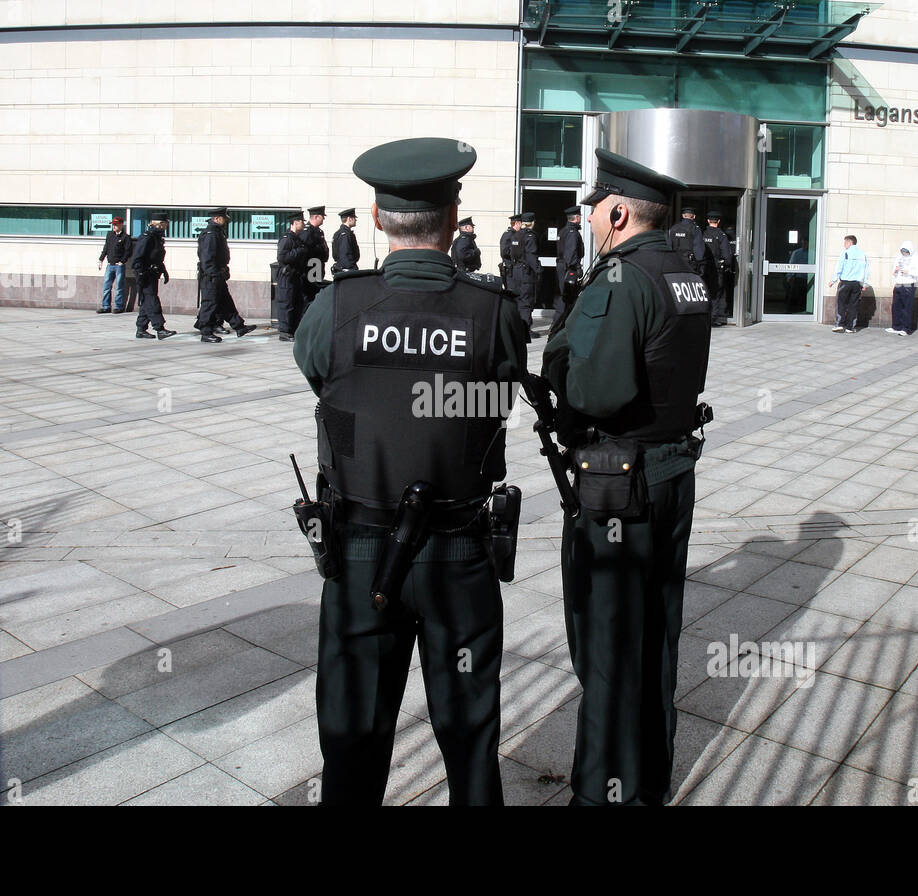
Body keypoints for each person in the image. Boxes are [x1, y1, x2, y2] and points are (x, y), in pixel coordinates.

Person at [293, 137, 528, 805]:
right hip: (460, 554)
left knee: (352, 735)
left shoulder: (336, 309)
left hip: (361, 551)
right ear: (454, 220)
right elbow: (505, 387)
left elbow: (321, 378)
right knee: (469, 734)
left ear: (373, 216)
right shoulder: (492, 311)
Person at [540, 147, 711, 806]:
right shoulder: (683, 271)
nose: (588, 219)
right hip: (670, 474)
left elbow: (595, 391)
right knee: (656, 641)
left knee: (609, 649)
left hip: (620, 486)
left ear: (616, 211)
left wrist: (561, 354)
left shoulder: (621, 279)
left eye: (592, 209)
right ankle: (644, 787)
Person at [194, 207, 256, 343]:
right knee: (209, 304)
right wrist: (214, 273)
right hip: (212, 276)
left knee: (226, 303)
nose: (226, 220)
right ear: (216, 219)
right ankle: (205, 332)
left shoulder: (217, 232)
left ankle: (239, 327)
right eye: (224, 218)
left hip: (218, 274)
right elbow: (207, 258)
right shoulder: (211, 234)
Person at [130, 212, 176, 340]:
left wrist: (164, 271)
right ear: (160, 224)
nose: (167, 225)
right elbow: (137, 258)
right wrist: (140, 274)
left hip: (153, 274)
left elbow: (157, 258)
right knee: (152, 300)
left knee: (147, 302)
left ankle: (141, 329)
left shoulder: (157, 238)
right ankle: (160, 328)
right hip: (145, 275)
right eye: (166, 223)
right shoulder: (147, 237)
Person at [275, 211, 308, 341]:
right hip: (287, 276)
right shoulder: (286, 239)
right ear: (295, 223)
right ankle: (284, 331)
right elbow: (282, 257)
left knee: (296, 303)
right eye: (302, 221)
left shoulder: (297, 238)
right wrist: (299, 251)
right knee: (286, 303)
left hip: (296, 276)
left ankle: (293, 329)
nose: (304, 224)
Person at [827, 234, 870, 333]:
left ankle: (840, 324)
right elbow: (866, 270)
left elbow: (839, 268)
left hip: (845, 282)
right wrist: (864, 284)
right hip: (857, 284)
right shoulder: (862, 255)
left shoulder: (845, 253)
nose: (844, 245)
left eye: (845, 242)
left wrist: (833, 280)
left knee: (841, 303)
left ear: (850, 242)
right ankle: (850, 327)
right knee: (853, 305)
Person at [509, 211, 542, 337]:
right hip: (526, 273)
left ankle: (516, 328)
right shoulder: (530, 236)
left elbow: (510, 253)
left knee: (518, 300)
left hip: (516, 270)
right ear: (532, 223)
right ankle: (525, 330)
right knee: (526, 301)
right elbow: (531, 255)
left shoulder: (516, 235)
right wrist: (539, 270)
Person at [700, 211, 733, 326]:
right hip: (716, 269)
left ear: (708, 221)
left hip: (702, 268)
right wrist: (727, 265)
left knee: (704, 292)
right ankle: (713, 318)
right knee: (716, 293)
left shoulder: (701, 234)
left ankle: (703, 316)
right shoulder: (721, 235)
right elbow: (727, 256)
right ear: (718, 222)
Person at [553, 205, 584, 328]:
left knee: (563, 297)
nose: (580, 218)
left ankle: (558, 326)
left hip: (562, 267)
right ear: (576, 218)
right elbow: (570, 254)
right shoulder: (572, 233)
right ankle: (558, 327)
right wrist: (576, 268)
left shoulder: (563, 230)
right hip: (568, 269)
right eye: (580, 216)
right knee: (566, 298)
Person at [887, 240, 918, 336]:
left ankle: (906, 328)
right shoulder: (899, 257)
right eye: (903, 251)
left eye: (906, 251)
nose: (904, 253)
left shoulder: (916, 258)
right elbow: (894, 270)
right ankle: (896, 326)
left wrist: (909, 272)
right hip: (899, 283)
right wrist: (895, 271)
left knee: (907, 307)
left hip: (908, 283)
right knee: (896, 306)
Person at [97, 216, 133, 314]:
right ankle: (106, 306)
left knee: (119, 287)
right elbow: (106, 248)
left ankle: (119, 306)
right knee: (106, 286)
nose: (114, 226)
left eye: (116, 224)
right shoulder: (110, 235)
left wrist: (122, 261)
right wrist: (101, 259)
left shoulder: (125, 237)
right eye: (113, 224)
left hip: (119, 265)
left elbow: (128, 251)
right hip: (110, 264)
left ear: (121, 225)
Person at [301, 205, 330, 306]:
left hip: (317, 267)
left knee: (316, 294)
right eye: (322, 216)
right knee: (310, 297)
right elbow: (304, 252)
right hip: (310, 269)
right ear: (316, 217)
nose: (324, 219)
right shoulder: (307, 232)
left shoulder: (318, 231)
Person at [665, 206, 704, 276]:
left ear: (683, 216)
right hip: (690, 263)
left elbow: (668, 245)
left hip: (675, 261)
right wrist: (700, 263)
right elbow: (698, 248)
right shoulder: (695, 229)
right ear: (694, 216)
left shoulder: (673, 228)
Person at [331, 208, 360, 274]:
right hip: (347, 269)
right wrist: (350, 269)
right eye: (354, 218)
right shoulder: (345, 234)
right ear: (349, 219)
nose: (356, 220)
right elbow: (345, 253)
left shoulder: (339, 233)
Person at [786, 237, 809, 314]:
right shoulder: (796, 252)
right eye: (802, 243)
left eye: (805, 243)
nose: (804, 245)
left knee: (805, 297)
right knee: (795, 295)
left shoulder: (813, 253)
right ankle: (792, 311)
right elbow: (791, 264)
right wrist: (789, 276)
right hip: (798, 278)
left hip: (808, 278)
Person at [499, 214, 521, 288]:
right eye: (521, 224)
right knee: (511, 289)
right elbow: (504, 252)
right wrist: (516, 254)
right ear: (517, 223)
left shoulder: (515, 234)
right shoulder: (509, 234)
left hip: (513, 267)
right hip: (510, 268)